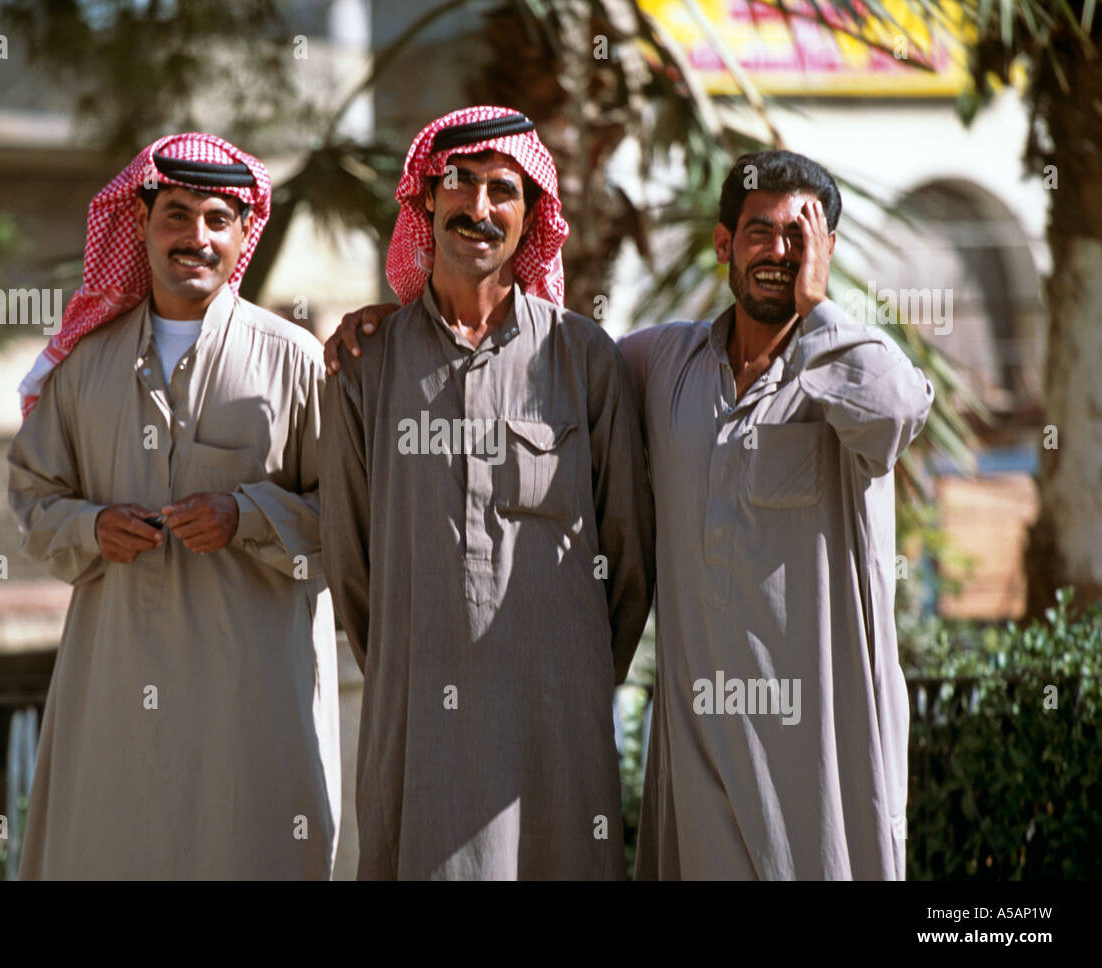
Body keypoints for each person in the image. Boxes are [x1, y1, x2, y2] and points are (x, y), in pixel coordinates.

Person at [325, 149, 933, 880]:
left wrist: (819, 308)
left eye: (800, 236)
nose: (778, 251)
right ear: (722, 243)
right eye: (760, 231)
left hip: (821, 742)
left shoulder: (845, 371)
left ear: (826, 251)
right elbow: (536, 368)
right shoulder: (666, 361)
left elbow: (900, 410)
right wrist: (384, 324)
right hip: (700, 748)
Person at [318, 106, 654, 880]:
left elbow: (628, 554)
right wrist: (417, 659)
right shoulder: (368, 368)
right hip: (419, 732)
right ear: (426, 201)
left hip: (555, 725)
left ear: (532, 214)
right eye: (459, 184)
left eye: (503, 190)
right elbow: (352, 558)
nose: (478, 207)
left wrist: (570, 676)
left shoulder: (584, 359)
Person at [9, 132, 340, 879]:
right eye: (178, 214)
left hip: (249, 710)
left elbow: (351, 518)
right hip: (114, 694)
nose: (198, 236)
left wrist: (247, 515)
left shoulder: (295, 361)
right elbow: (32, 499)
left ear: (244, 232)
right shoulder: (83, 368)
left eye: (219, 218)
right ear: (140, 225)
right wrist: (91, 527)